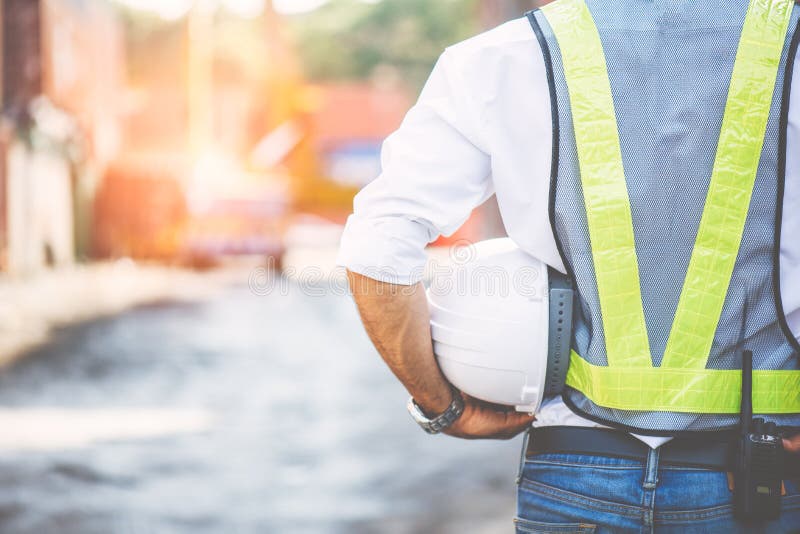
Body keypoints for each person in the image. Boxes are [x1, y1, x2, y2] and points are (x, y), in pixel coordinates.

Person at [338, 0, 800, 530]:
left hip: (575, 473)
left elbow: (378, 247)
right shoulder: (789, 40)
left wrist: (441, 404)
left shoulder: (507, 55)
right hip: (763, 473)